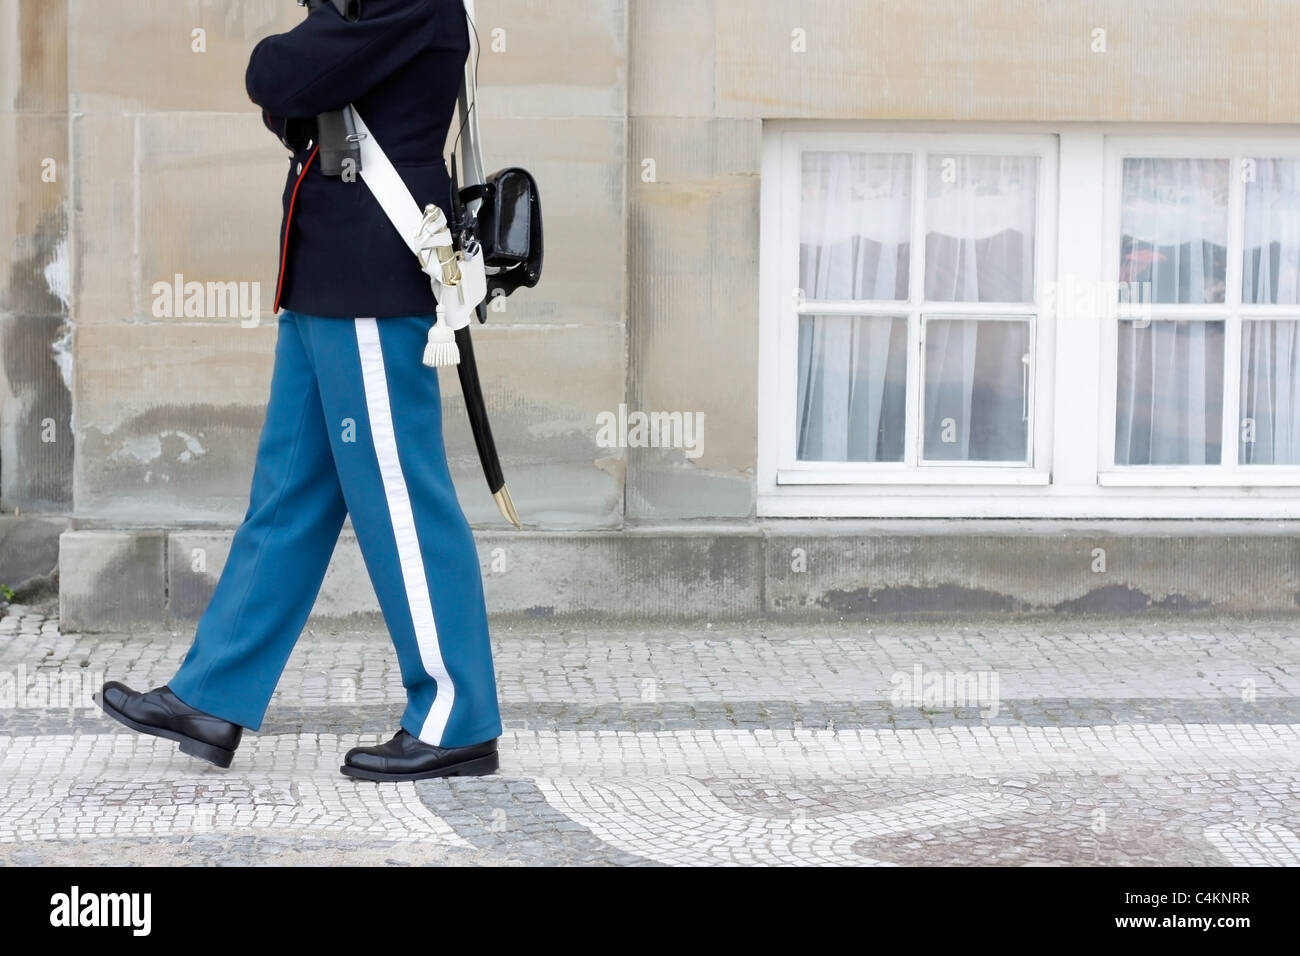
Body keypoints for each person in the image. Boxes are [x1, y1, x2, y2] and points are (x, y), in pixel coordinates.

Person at [96, 0, 504, 782]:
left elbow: (279, 72)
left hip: (369, 283)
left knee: (402, 501)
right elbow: (295, 98)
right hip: (324, 277)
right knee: (286, 501)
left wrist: (298, 73)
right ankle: (211, 695)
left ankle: (458, 716)